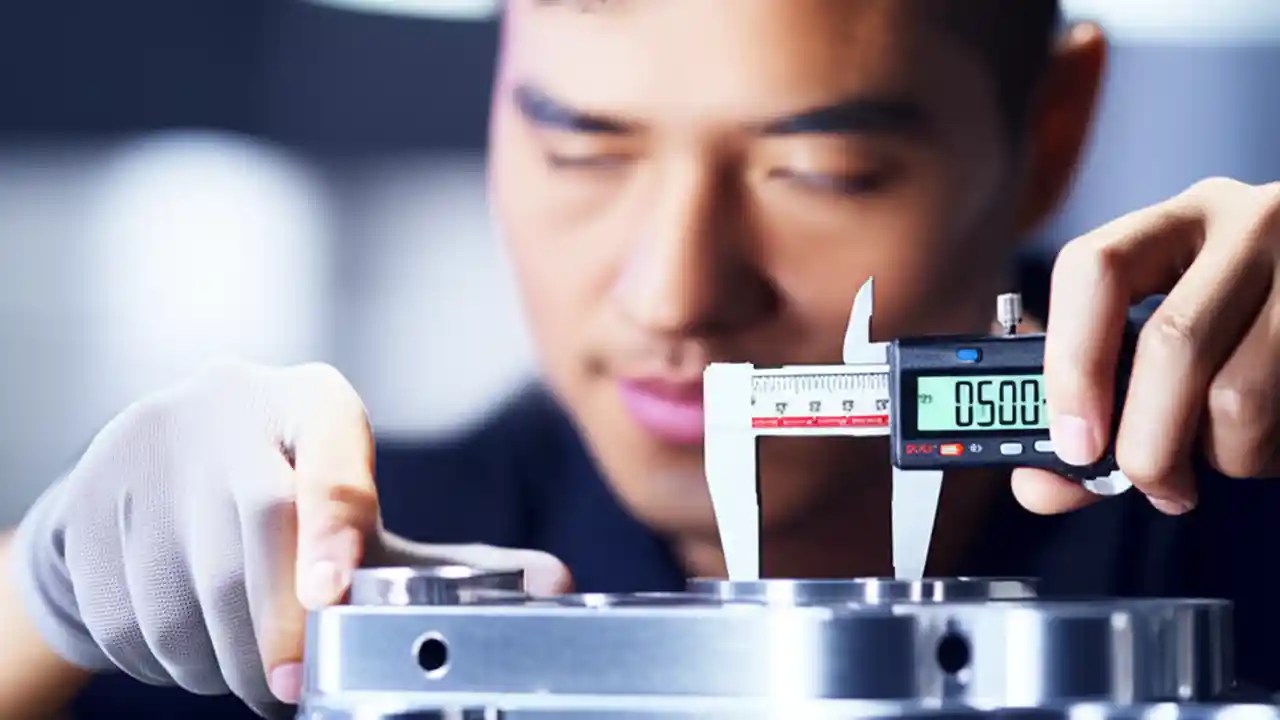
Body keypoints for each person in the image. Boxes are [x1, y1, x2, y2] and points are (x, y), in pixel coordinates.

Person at [4, 0, 1280, 717]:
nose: (675, 289)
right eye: (581, 148)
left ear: (1048, 130)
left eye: (819, 169)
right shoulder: (326, 582)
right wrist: (45, 599)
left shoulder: (1248, 514)